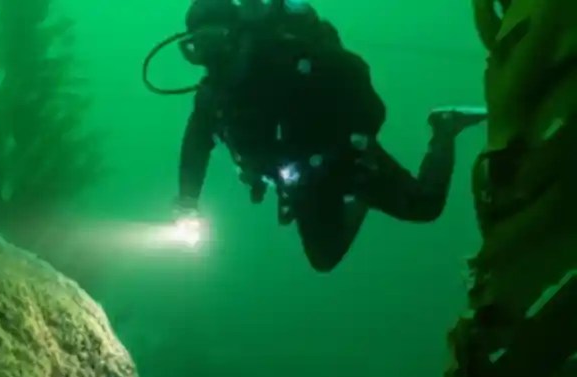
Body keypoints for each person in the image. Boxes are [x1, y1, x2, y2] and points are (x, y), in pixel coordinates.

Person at [172, 0, 487, 272]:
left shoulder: (287, 56)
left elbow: (355, 77)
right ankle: (361, 197)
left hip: (347, 154)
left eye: (215, 39)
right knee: (324, 258)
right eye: (199, 45)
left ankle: (444, 127)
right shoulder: (211, 98)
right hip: (301, 180)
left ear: (236, 34)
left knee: (424, 205)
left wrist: (359, 137)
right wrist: (187, 201)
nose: (209, 54)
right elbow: (195, 146)